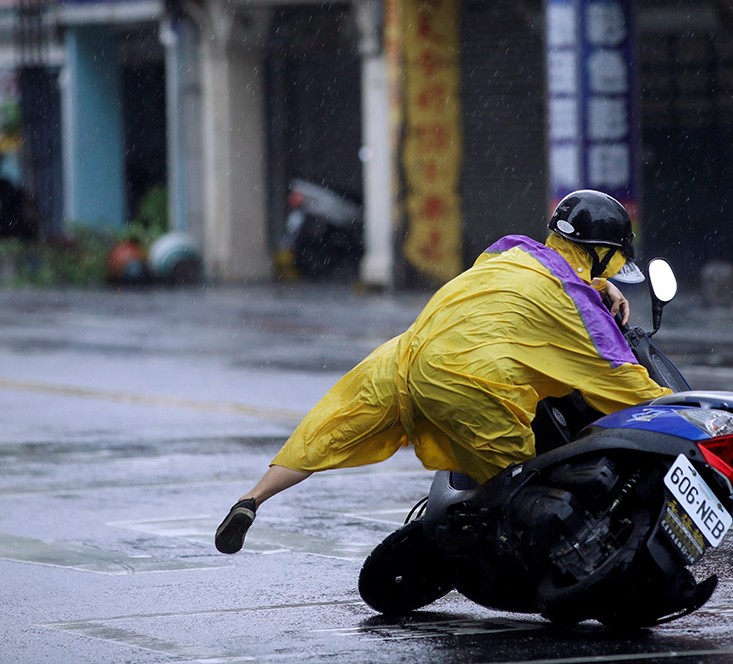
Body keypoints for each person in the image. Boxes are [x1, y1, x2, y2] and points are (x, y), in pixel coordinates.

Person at [215, 189, 672, 554]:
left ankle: (251, 499)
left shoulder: (512, 253)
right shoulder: (579, 309)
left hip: (405, 356)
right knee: (522, 480)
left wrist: (597, 284)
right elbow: (623, 379)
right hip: (469, 379)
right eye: (609, 262)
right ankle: (526, 557)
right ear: (599, 253)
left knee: (330, 430)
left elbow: (559, 275)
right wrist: (693, 420)